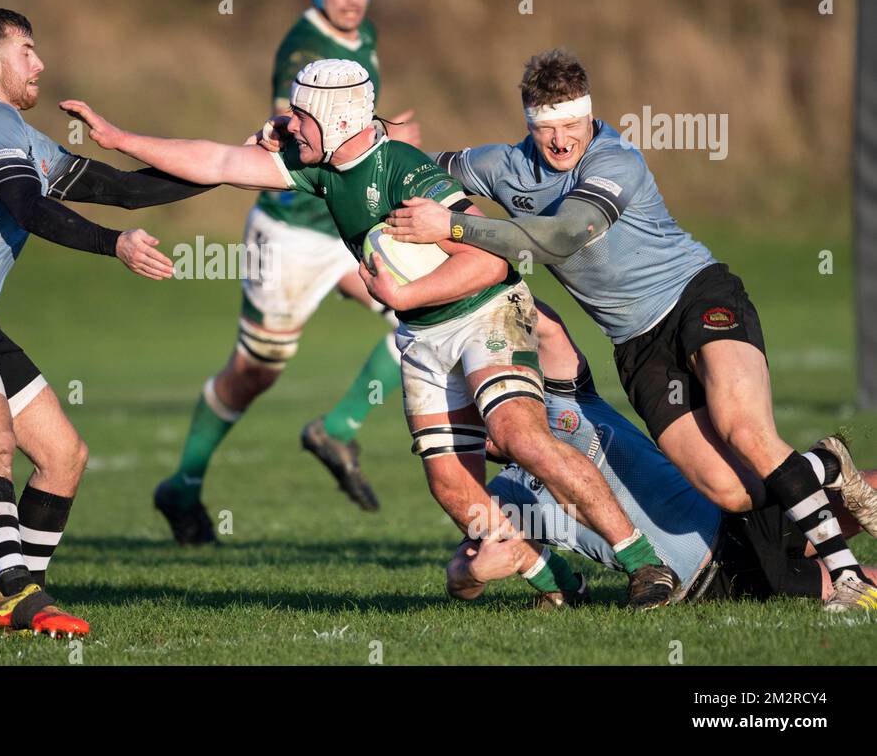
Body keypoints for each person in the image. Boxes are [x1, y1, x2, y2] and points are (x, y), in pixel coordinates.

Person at [60, 58, 683, 608]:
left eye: (301, 115)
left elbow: (492, 262)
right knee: (449, 485)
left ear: (334, 119)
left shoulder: (403, 171)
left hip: (486, 311)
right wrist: (117, 137)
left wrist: (402, 295)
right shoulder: (321, 168)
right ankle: (556, 582)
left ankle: (642, 564)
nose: (288, 123)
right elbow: (219, 160)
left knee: (517, 435)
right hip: (421, 330)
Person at [381, 47, 877, 611]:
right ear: (529, 125)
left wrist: (454, 227)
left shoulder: (615, 161)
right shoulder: (501, 167)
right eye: (549, 130)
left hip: (697, 297)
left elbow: (565, 236)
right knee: (729, 490)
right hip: (638, 349)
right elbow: (413, 169)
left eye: (573, 125)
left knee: (745, 430)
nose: (563, 141)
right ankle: (824, 467)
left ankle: (847, 576)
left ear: (590, 116)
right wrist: (365, 153)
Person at [0, 7, 211, 635]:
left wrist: (235, 168)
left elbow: (123, 188)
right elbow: (27, 207)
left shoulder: (18, 135)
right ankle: (14, 593)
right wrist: (114, 246)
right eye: (27, 51)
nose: (39, 64)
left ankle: (17, 598)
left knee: (64, 455)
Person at [155, 0, 423, 543]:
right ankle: (182, 487)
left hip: (347, 225)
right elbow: (299, 140)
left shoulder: (367, 38)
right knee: (256, 372)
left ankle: (338, 428)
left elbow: (380, 118)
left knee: (420, 316)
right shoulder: (303, 47)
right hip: (292, 234)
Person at [448, 302, 877, 609]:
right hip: (713, 581)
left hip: (737, 509)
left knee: (865, 497)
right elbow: (458, 575)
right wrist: (475, 574)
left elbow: (549, 330)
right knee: (857, 589)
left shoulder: (566, 399)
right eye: (469, 426)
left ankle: (826, 469)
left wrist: (484, 296)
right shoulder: (508, 496)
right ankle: (824, 467)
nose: (485, 426)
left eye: (486, 405)